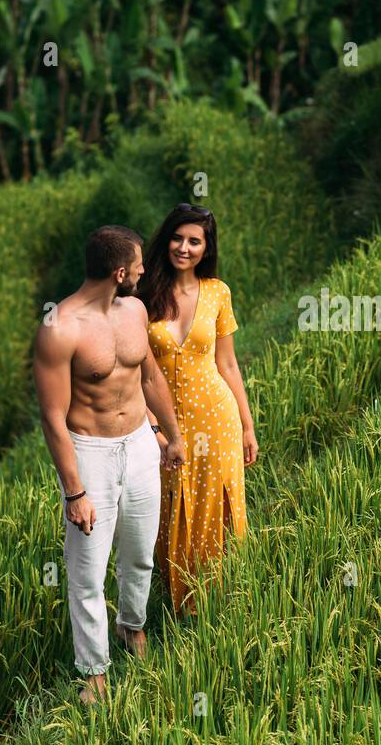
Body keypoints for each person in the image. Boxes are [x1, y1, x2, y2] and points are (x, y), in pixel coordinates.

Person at [32, 224, 187, 705]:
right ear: (119, 271)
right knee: (88, 572)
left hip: (141, 443)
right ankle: (94, 673)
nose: (145, 269)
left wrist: (172, 434)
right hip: (91, 454)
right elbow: (53, 418)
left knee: (140, 552)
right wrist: (74, 490)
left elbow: (151, 377)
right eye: (139, 263)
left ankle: (132, 628)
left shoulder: (135, 310)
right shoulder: (60, 328)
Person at [138, 203, 258, 614]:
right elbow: (138, 372)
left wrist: (247, 425)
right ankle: (177, 606)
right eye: (177, 238)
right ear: (166, 239)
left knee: (216, 505)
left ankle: (223, 602)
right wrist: (154, 428)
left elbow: (227, 363)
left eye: (194, 241)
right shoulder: (144, 295)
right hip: (163, 423)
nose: (183, 248)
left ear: (207, 248)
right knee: (171, 507)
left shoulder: (218, 292)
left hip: (217, 417)